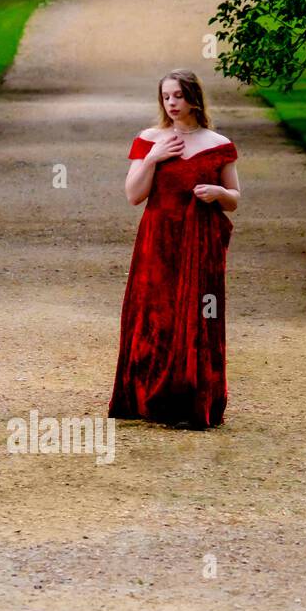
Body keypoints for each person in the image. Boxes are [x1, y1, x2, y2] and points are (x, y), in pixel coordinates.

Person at [109, 69, 240, 429]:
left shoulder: (218, 144)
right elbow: (134, 196)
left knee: (200, 314)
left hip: (200, 242)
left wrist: (219, 194)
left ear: (193, 97)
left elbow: (235, 199)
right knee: (155, 313)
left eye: (178, 96)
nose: (171, 104)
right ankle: (149, 395)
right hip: (158, 239)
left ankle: (193, 396)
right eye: (166, 97)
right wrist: (153, 157)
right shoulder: (150, 139)